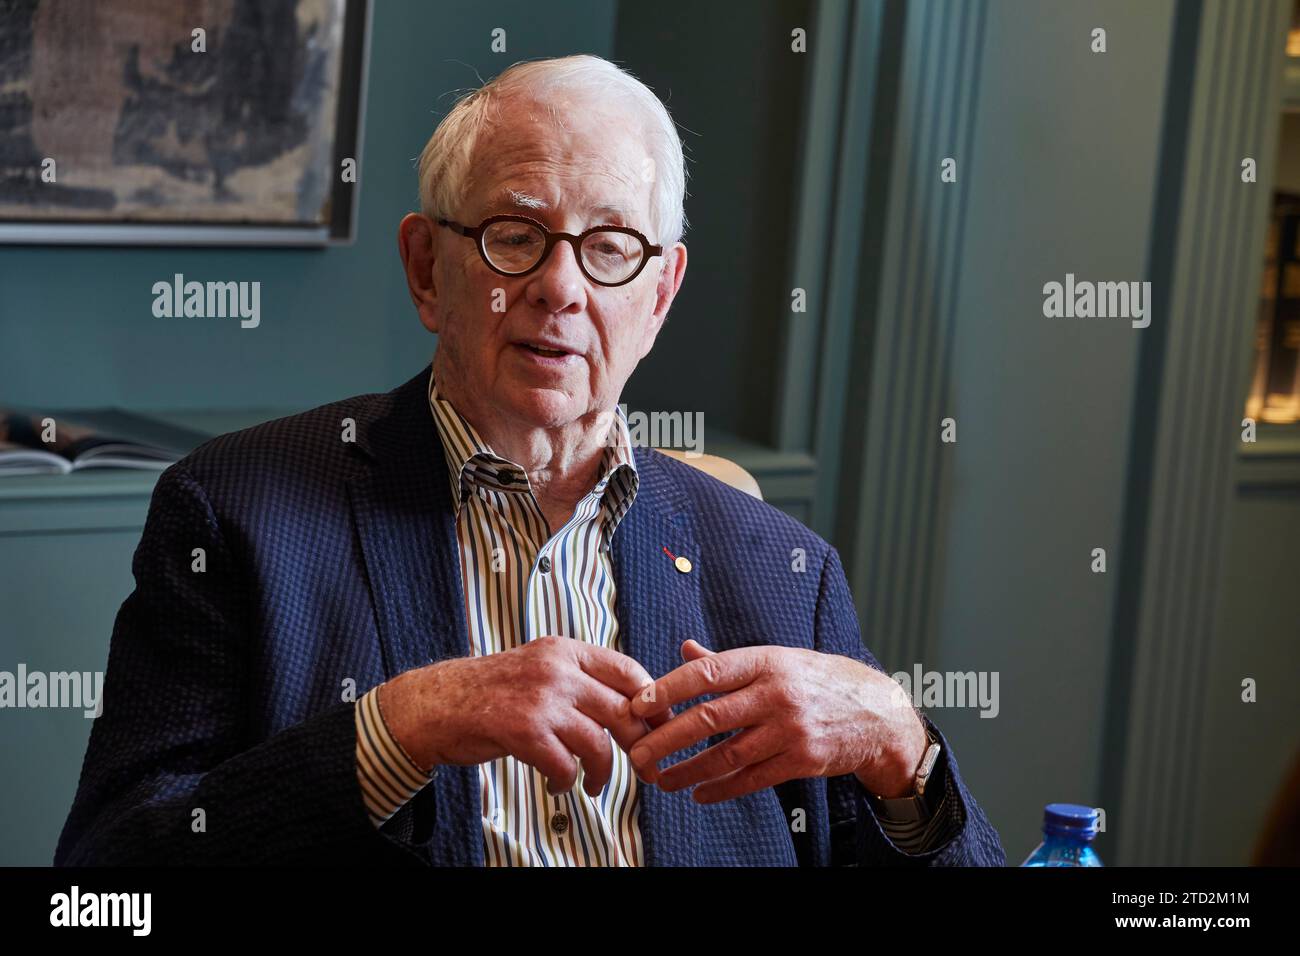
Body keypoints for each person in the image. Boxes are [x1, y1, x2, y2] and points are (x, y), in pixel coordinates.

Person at [55, 54, 1004, 866]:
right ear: (429, 269)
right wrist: (401, 727)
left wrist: (900, 747)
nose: (559, 288)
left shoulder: (782, 571)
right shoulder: (238, 513)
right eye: (515, 237)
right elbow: (104, 889)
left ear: (661, 294)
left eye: (610, 248)